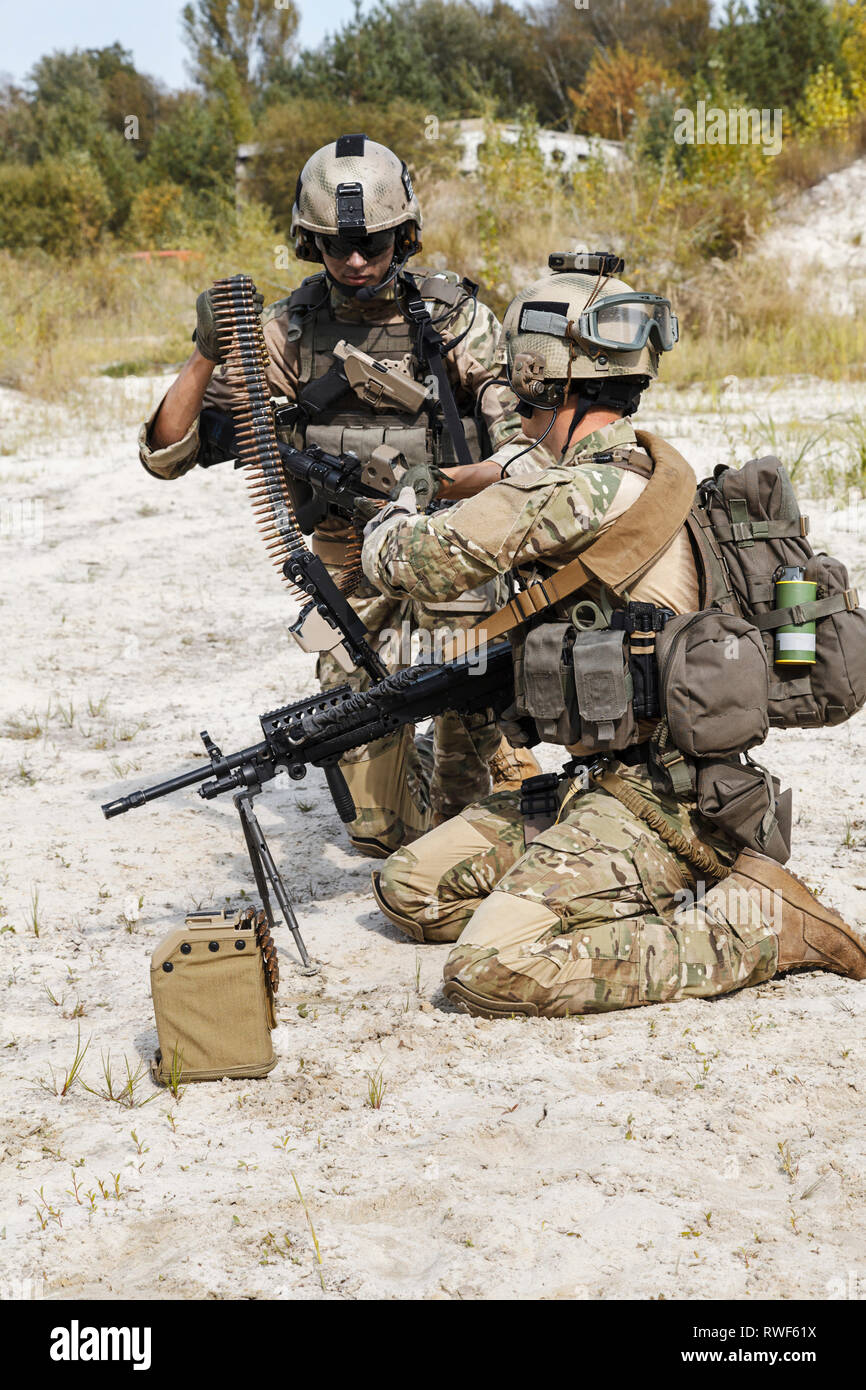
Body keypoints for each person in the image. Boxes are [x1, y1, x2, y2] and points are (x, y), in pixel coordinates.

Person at [361, 258, 866, 1015]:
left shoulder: (573, 490)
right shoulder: (640, 466)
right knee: (411, 891)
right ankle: (591, 891)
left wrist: (396, 507)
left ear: (542, 372)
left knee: (492, 967)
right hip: (606, 783)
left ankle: (762, 928)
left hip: (669, 809)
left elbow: (413, 563)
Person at [137, 133, 538, 857]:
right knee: (379, 832)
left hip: (455, 562)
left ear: (403, 235)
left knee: (471, 801)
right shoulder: (289, 333)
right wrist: (205, 350)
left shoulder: (454, 321)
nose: (356, 261)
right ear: (308, 243)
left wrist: (434, 485)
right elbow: (168, 453)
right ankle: (417, 762)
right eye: (335, 245)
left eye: (373, 243)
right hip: (350, 569)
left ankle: (494, 749)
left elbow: (519, 458)